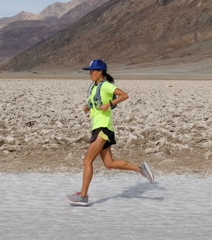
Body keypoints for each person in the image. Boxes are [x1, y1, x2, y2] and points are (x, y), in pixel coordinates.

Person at [66, 58, 155, 205]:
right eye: (89, 71)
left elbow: (124, 95)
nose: (90, 74)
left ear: (100, 72)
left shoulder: (106, 85)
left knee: (87, 160)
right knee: (109, 163)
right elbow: (97, 104)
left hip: (103, 128)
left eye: (93, 71)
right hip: (99, 128)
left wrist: (110, 103)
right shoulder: (94, 87)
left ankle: (83, 196)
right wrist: (89, 108)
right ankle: (141, 169)